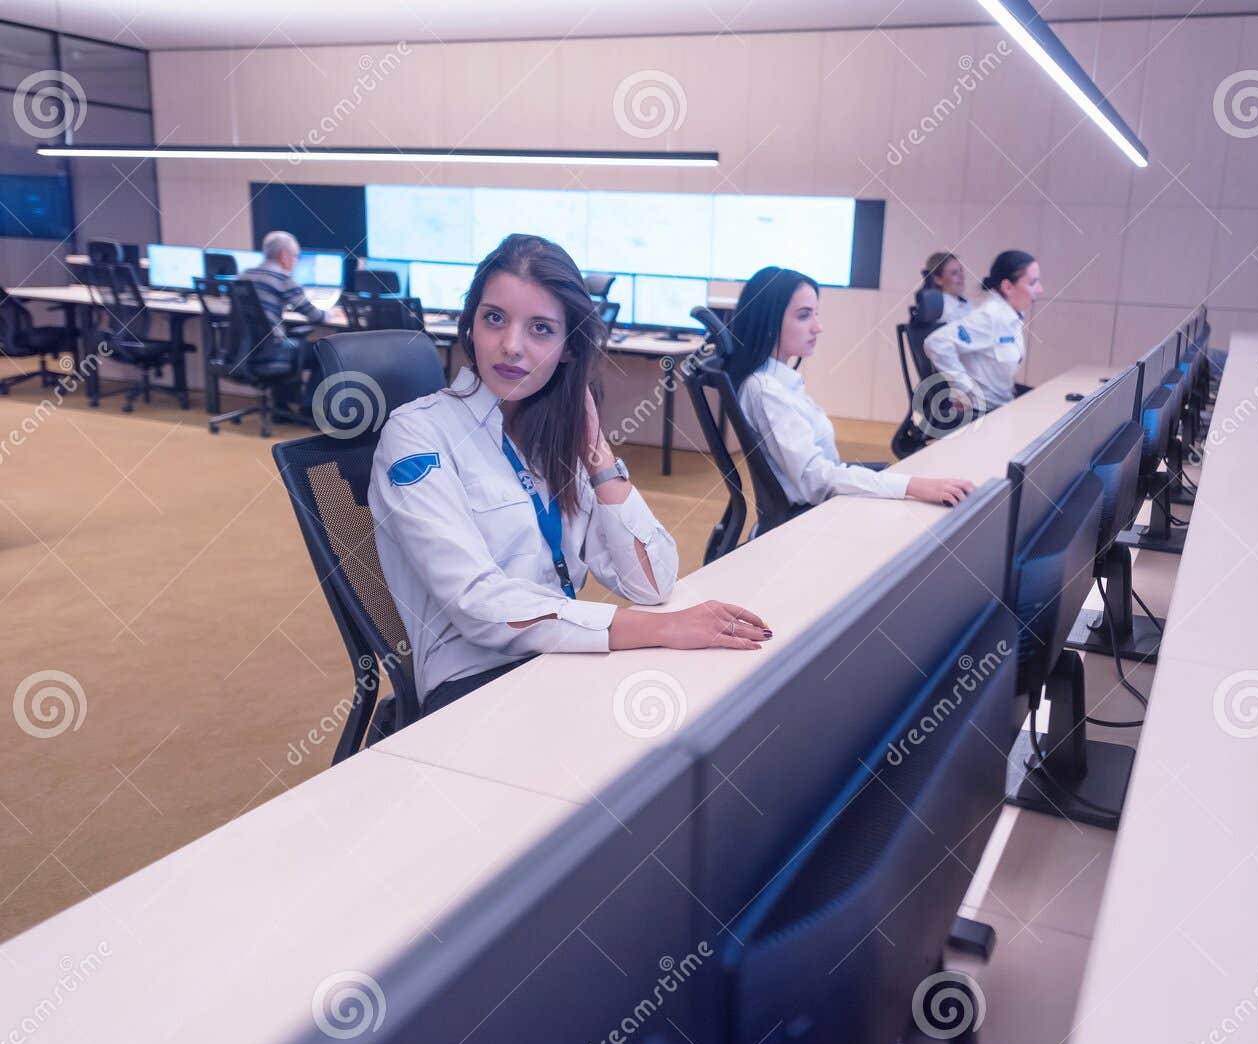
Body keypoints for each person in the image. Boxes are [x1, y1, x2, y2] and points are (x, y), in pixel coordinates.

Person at [370, 234, 769, 715]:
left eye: (540, 328)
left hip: (560, 660)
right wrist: (662, 628)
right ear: (470, 325)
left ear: (567, 349)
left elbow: (652, 582)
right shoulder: (418, 434)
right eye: (494, 318)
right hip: (475, 684)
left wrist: (597, 454)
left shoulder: (554, 438)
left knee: (704, 710)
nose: (511, 346)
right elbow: (478, 604)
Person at [726, 266, 974, 511]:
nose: (817, 327)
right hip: (810, 518)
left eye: (816, 314)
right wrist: (912, 486)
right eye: (804, 315)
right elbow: (818, 480)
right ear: (769, 322)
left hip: (820, 508)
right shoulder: (767, 391)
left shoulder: (780, 382)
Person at [922, 249, 1041, 413]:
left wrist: (1005, 384)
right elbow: (936, 342)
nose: (1040, 289)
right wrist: (963, 387)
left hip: (1000, 398)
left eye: (961, 271)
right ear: (1007, 286)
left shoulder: (1005, 315)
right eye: (1032, 282)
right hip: (984, 407)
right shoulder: (989, 315)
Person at [240, 230, 326, 407]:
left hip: (245, 349)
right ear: (284, 256)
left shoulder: (244, 275)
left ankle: (281, 406)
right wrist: (331, 314)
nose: (296, 262)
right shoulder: (283, 279)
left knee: (290, 341)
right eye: (296, 257)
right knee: (324, 352)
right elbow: (315, 316)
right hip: (272, 350)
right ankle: (308, 408)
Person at [920, 251, 972, 323]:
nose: (961, 276)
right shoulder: (941, 311)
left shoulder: (966, 303)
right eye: (954, 273)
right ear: (938, 280)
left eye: (961, 270)